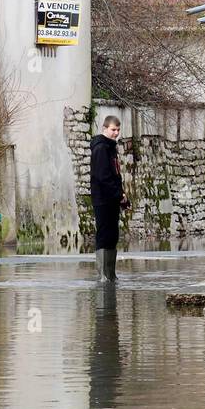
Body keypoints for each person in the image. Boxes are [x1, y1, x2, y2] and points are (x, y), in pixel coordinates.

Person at [89, 115, 129, 283]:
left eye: (118, 130)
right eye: (113, 130)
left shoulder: (110, 148)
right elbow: (103, 177)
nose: (116, 133)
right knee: (104, 235)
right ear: (105, 128)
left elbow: (115, 175)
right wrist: (118, 195)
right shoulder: (101, 149)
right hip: (103, 199)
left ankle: (110, 274)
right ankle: (104, 275)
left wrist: (122, 196)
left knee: (112, 235)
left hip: (111, 198)